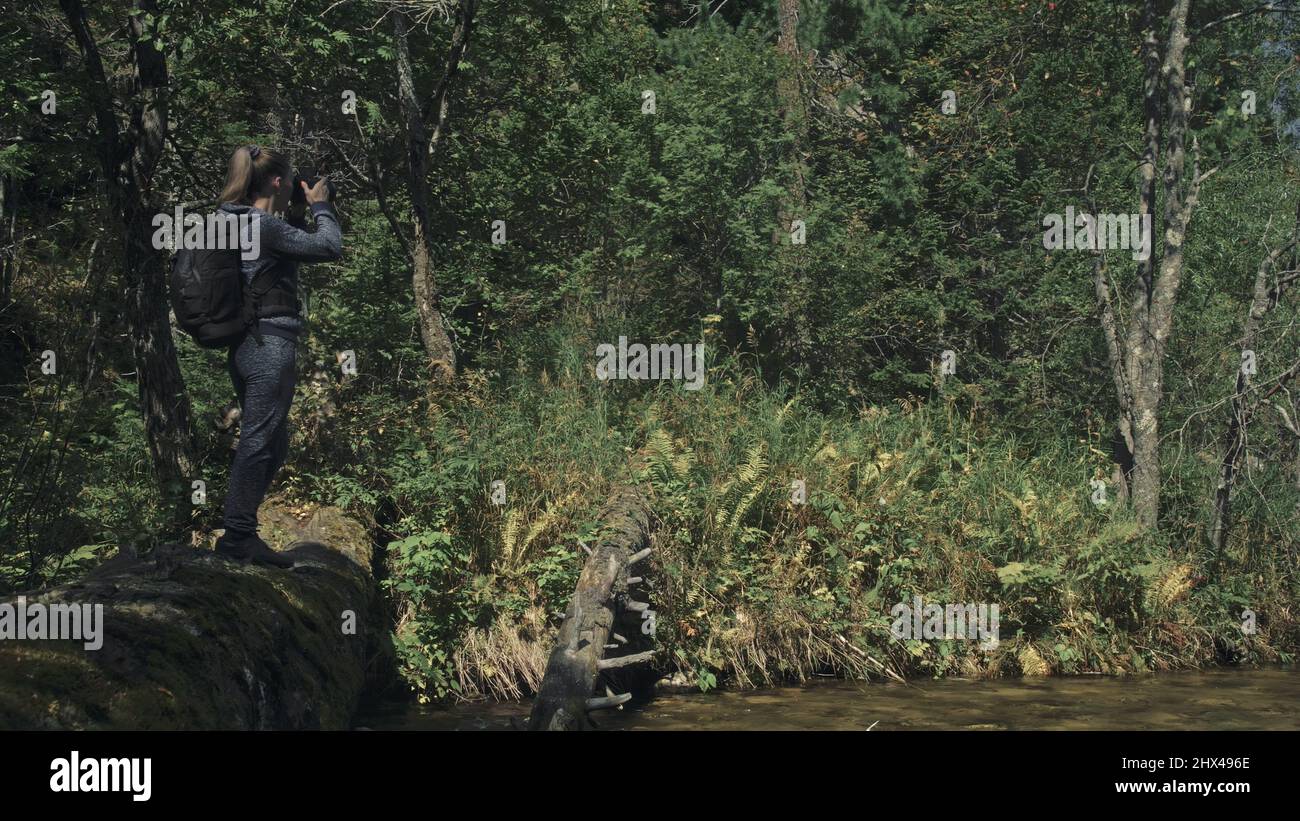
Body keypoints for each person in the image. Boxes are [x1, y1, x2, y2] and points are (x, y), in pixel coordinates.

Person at [212, 144, 342, 568]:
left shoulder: (234, 220)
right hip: (269, 344)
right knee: (259, 438)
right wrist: (321, 207)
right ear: (276, 181)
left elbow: (277, 259)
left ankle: (240, 531)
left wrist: (298, 214)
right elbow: (328, 248)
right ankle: (238, 539)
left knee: (273, 440)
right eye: (289, 182)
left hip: (247, 344)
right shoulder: (260, 224)